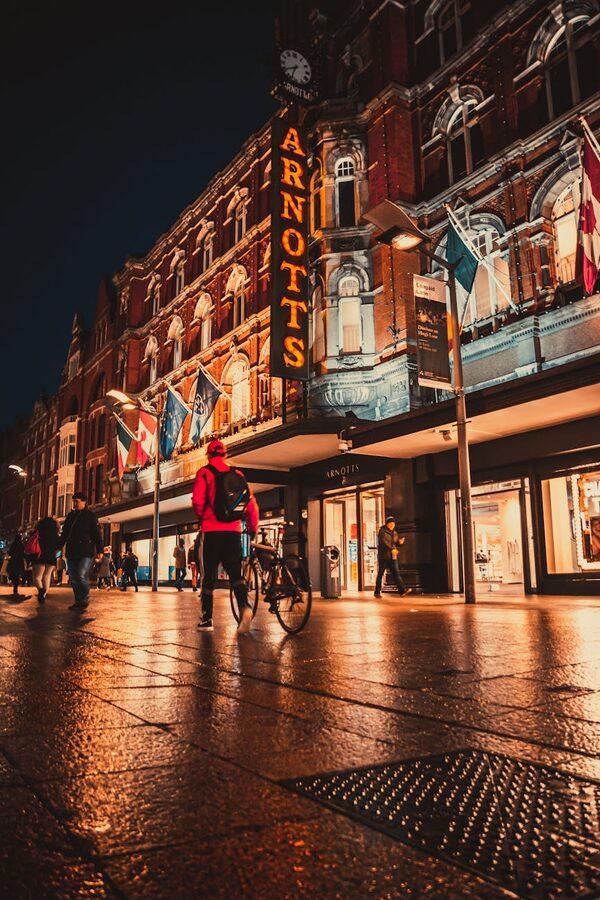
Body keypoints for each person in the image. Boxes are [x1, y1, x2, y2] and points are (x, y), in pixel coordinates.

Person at [192, 439, 259, 632]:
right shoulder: (238, 474)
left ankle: (207, 619)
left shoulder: (204, 473)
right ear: (225, 454)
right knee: (236, 574)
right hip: (234, 531)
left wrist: (203, 517)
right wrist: (252, 527)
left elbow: (198, 501)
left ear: (208, 455)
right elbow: (251, 504)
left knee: (209, 576)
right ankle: (244, 608)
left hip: (212, 532)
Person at [59, 491, 103, 611]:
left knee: (81, 575)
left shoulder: (90, 516)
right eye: (73, 501)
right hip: (72, 551)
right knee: (73, 578)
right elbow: (65, 533)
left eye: (77, 501)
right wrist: (59, 546)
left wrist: (100, 550)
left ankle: (84, 597)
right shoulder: (70, 516)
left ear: (84, 502)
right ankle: (79, 601)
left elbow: (97, 534)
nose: (74, 504)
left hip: (85, 552)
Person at [374, 515, 412, 598]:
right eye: (390, 523)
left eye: (393, 523)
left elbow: (394, 543)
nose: (392, 525)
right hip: (384, 556)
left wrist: (399, 543)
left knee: (396, 573)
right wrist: (391, 549)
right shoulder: (382, 531)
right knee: (380, 573)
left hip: (392, 556)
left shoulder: (394, 533)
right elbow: (383, 543)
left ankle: (402, 591)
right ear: (387, 524)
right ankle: (377, 592)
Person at [31, 516, 60, 604]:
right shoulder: (55, 534)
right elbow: (58, 546)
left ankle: (41, 590)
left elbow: (30, 543)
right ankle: (43, 595)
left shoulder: (37, 533)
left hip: (39, 556)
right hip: (51, 557)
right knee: (47, 576)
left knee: (37, 577)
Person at [6, 534, 28, 599]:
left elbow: (10, 553)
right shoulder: (21, 545)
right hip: (19, 562)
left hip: (13, 562)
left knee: (13, 574)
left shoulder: (13, 545)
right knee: (17, 575)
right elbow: (24, 554)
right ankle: (16, 587)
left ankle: (14, 586)